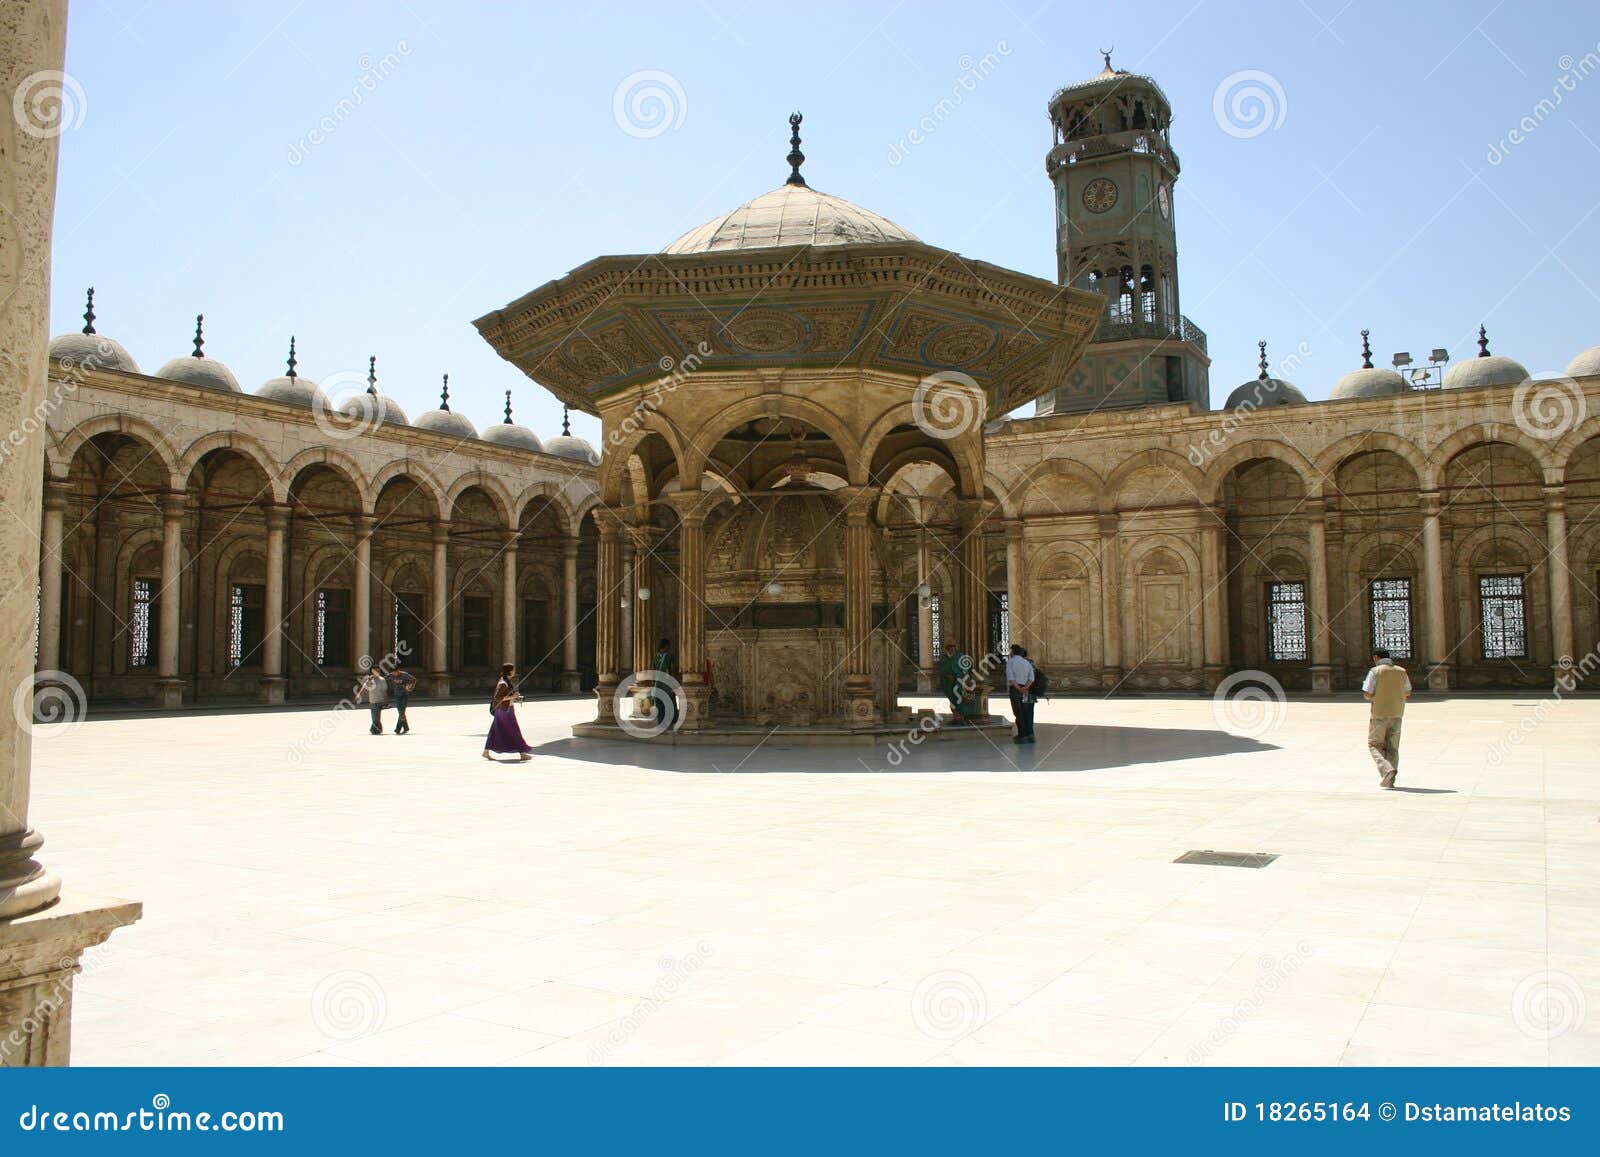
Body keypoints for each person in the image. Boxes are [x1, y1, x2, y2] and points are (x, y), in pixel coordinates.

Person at [1362, 648, 1411, 789]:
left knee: (1374, 744)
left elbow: (1368, 692)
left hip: (1379, 713)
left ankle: (1386, 769)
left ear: (1376, 657)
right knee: (1393, 747)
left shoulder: (1375, 671)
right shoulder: (1401, 671)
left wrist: (1377, 697)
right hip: (1397, 713)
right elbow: (1408, 691)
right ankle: (1389, 780)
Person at [484, 663, 533, 762]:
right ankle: (522, 753)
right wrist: (513, 697)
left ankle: (486, 751)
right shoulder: (503, 683)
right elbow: (498, 698)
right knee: (514, 731)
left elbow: (506, 696)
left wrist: (515, 698)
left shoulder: (506, 682)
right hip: (504, 712)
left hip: (506, 710)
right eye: (513, 670)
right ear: (509, 671)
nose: (514, 672)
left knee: (495, 731)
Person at [938, 640, 979, 723]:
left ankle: (962, 717)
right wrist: (947, 676)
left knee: (961, 699)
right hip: (949, 684)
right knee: (952, 700)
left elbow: (966, 670)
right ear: (947, 649)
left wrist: (964, 679)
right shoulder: (944, 658)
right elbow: (941, 670)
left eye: (953, 647)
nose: (952, 649)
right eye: (950, 647)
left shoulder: (960, 657)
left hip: (960, 683)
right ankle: (956, 716)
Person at [1005, 643, 1036, 744]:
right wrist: (1025, 687)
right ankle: (1030, 735)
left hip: (1016, 690)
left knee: (1019, 713)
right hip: (1027, 690)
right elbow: (1032, 678)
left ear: (1013, 652)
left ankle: (1022, 736)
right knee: (1027, 712)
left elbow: (1011, 678)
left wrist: (1019, 688)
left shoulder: (1010, 662)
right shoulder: (1027, 662)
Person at [651, 636, 680, 733]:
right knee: (670, 701)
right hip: (666, 682)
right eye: (668, 646)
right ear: (666, 646)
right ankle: (671, 720)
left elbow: (654, 669)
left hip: (657, 681)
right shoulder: (668, 656)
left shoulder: (655, 656)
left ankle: (661, 722)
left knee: (660, 701)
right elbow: (671, 670)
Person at [386, 664, 416, 735]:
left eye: (395, 672)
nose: (394, 674)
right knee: (401, 712)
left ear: (398, 670)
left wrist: (409, 687)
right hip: (397, 695)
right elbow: (383, 678)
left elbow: (414, 679)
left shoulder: (405, 675)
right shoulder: (391, 675)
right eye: (393, 673)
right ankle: (406, 727)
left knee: (402, 712)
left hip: (404, 695)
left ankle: (397, 729)